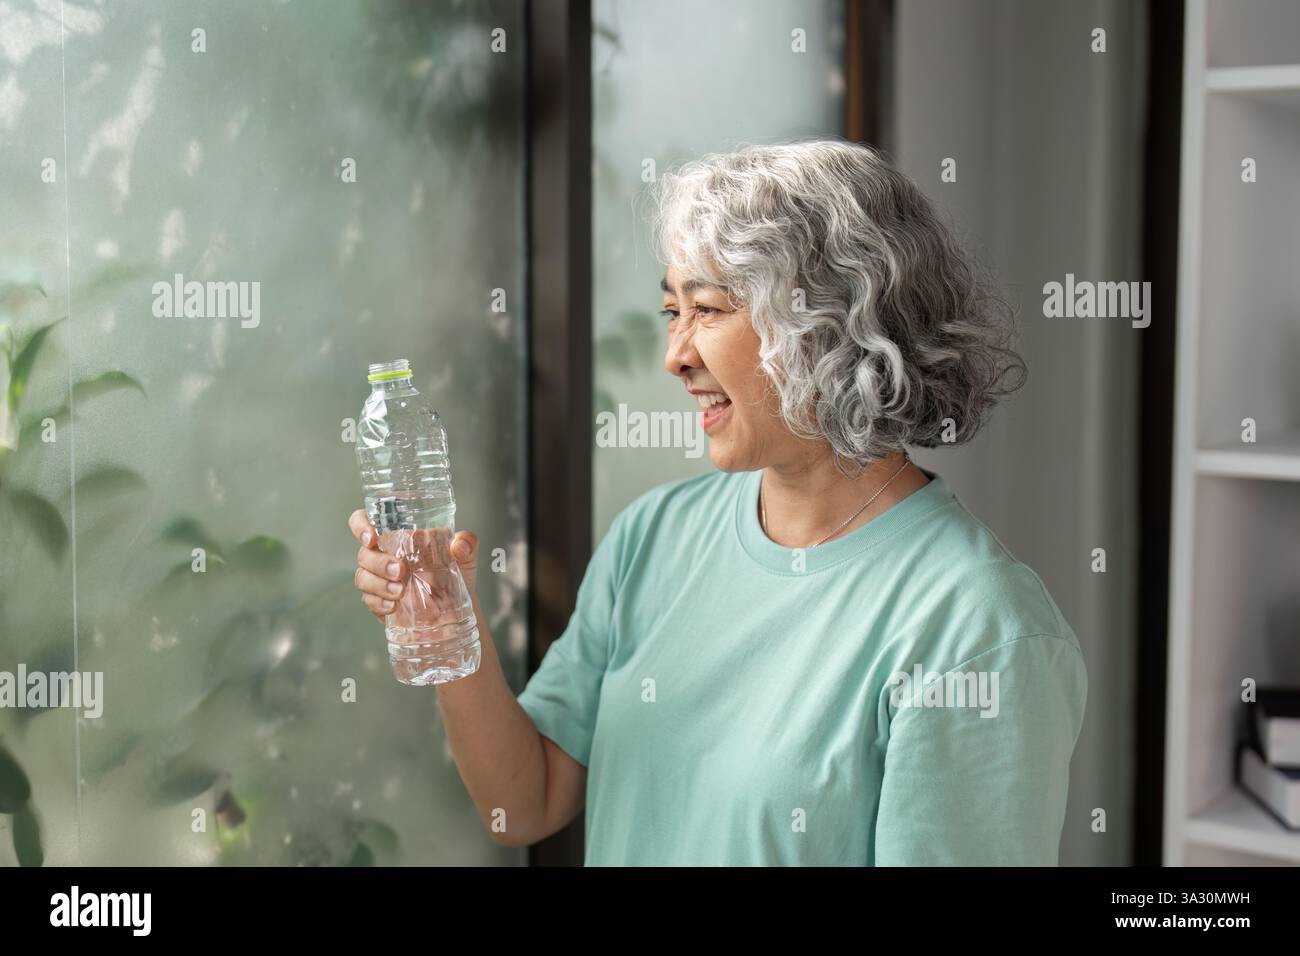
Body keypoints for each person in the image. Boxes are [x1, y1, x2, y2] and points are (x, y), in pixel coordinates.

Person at [349, 139, 1087, 865]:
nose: (675, 354)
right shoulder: (655, 536)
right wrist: (448, 623)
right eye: (673, 311)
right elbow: (525, 801)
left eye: (707, 310)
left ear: (829, 326)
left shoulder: (978, 629)